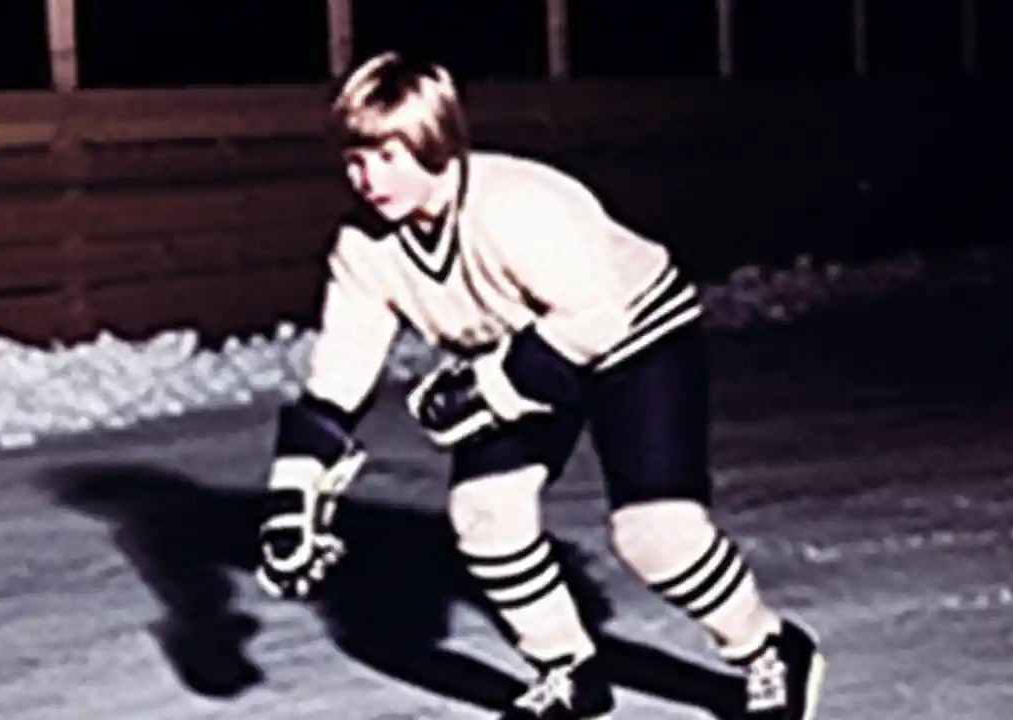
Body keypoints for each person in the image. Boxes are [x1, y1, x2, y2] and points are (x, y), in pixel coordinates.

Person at [255, 51, 826, 720]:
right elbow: (343, 366)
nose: (367, 178)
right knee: (485, 516)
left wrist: (487, 390)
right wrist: (293, 493)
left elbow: (598, 319)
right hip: (521, 352)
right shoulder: (364, 246)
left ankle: (768, 650)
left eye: (388, 155)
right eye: (355, 158)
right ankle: (568, 671)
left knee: (656, 533)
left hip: (633, 335)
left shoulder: (518, 203)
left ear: (433, 142)